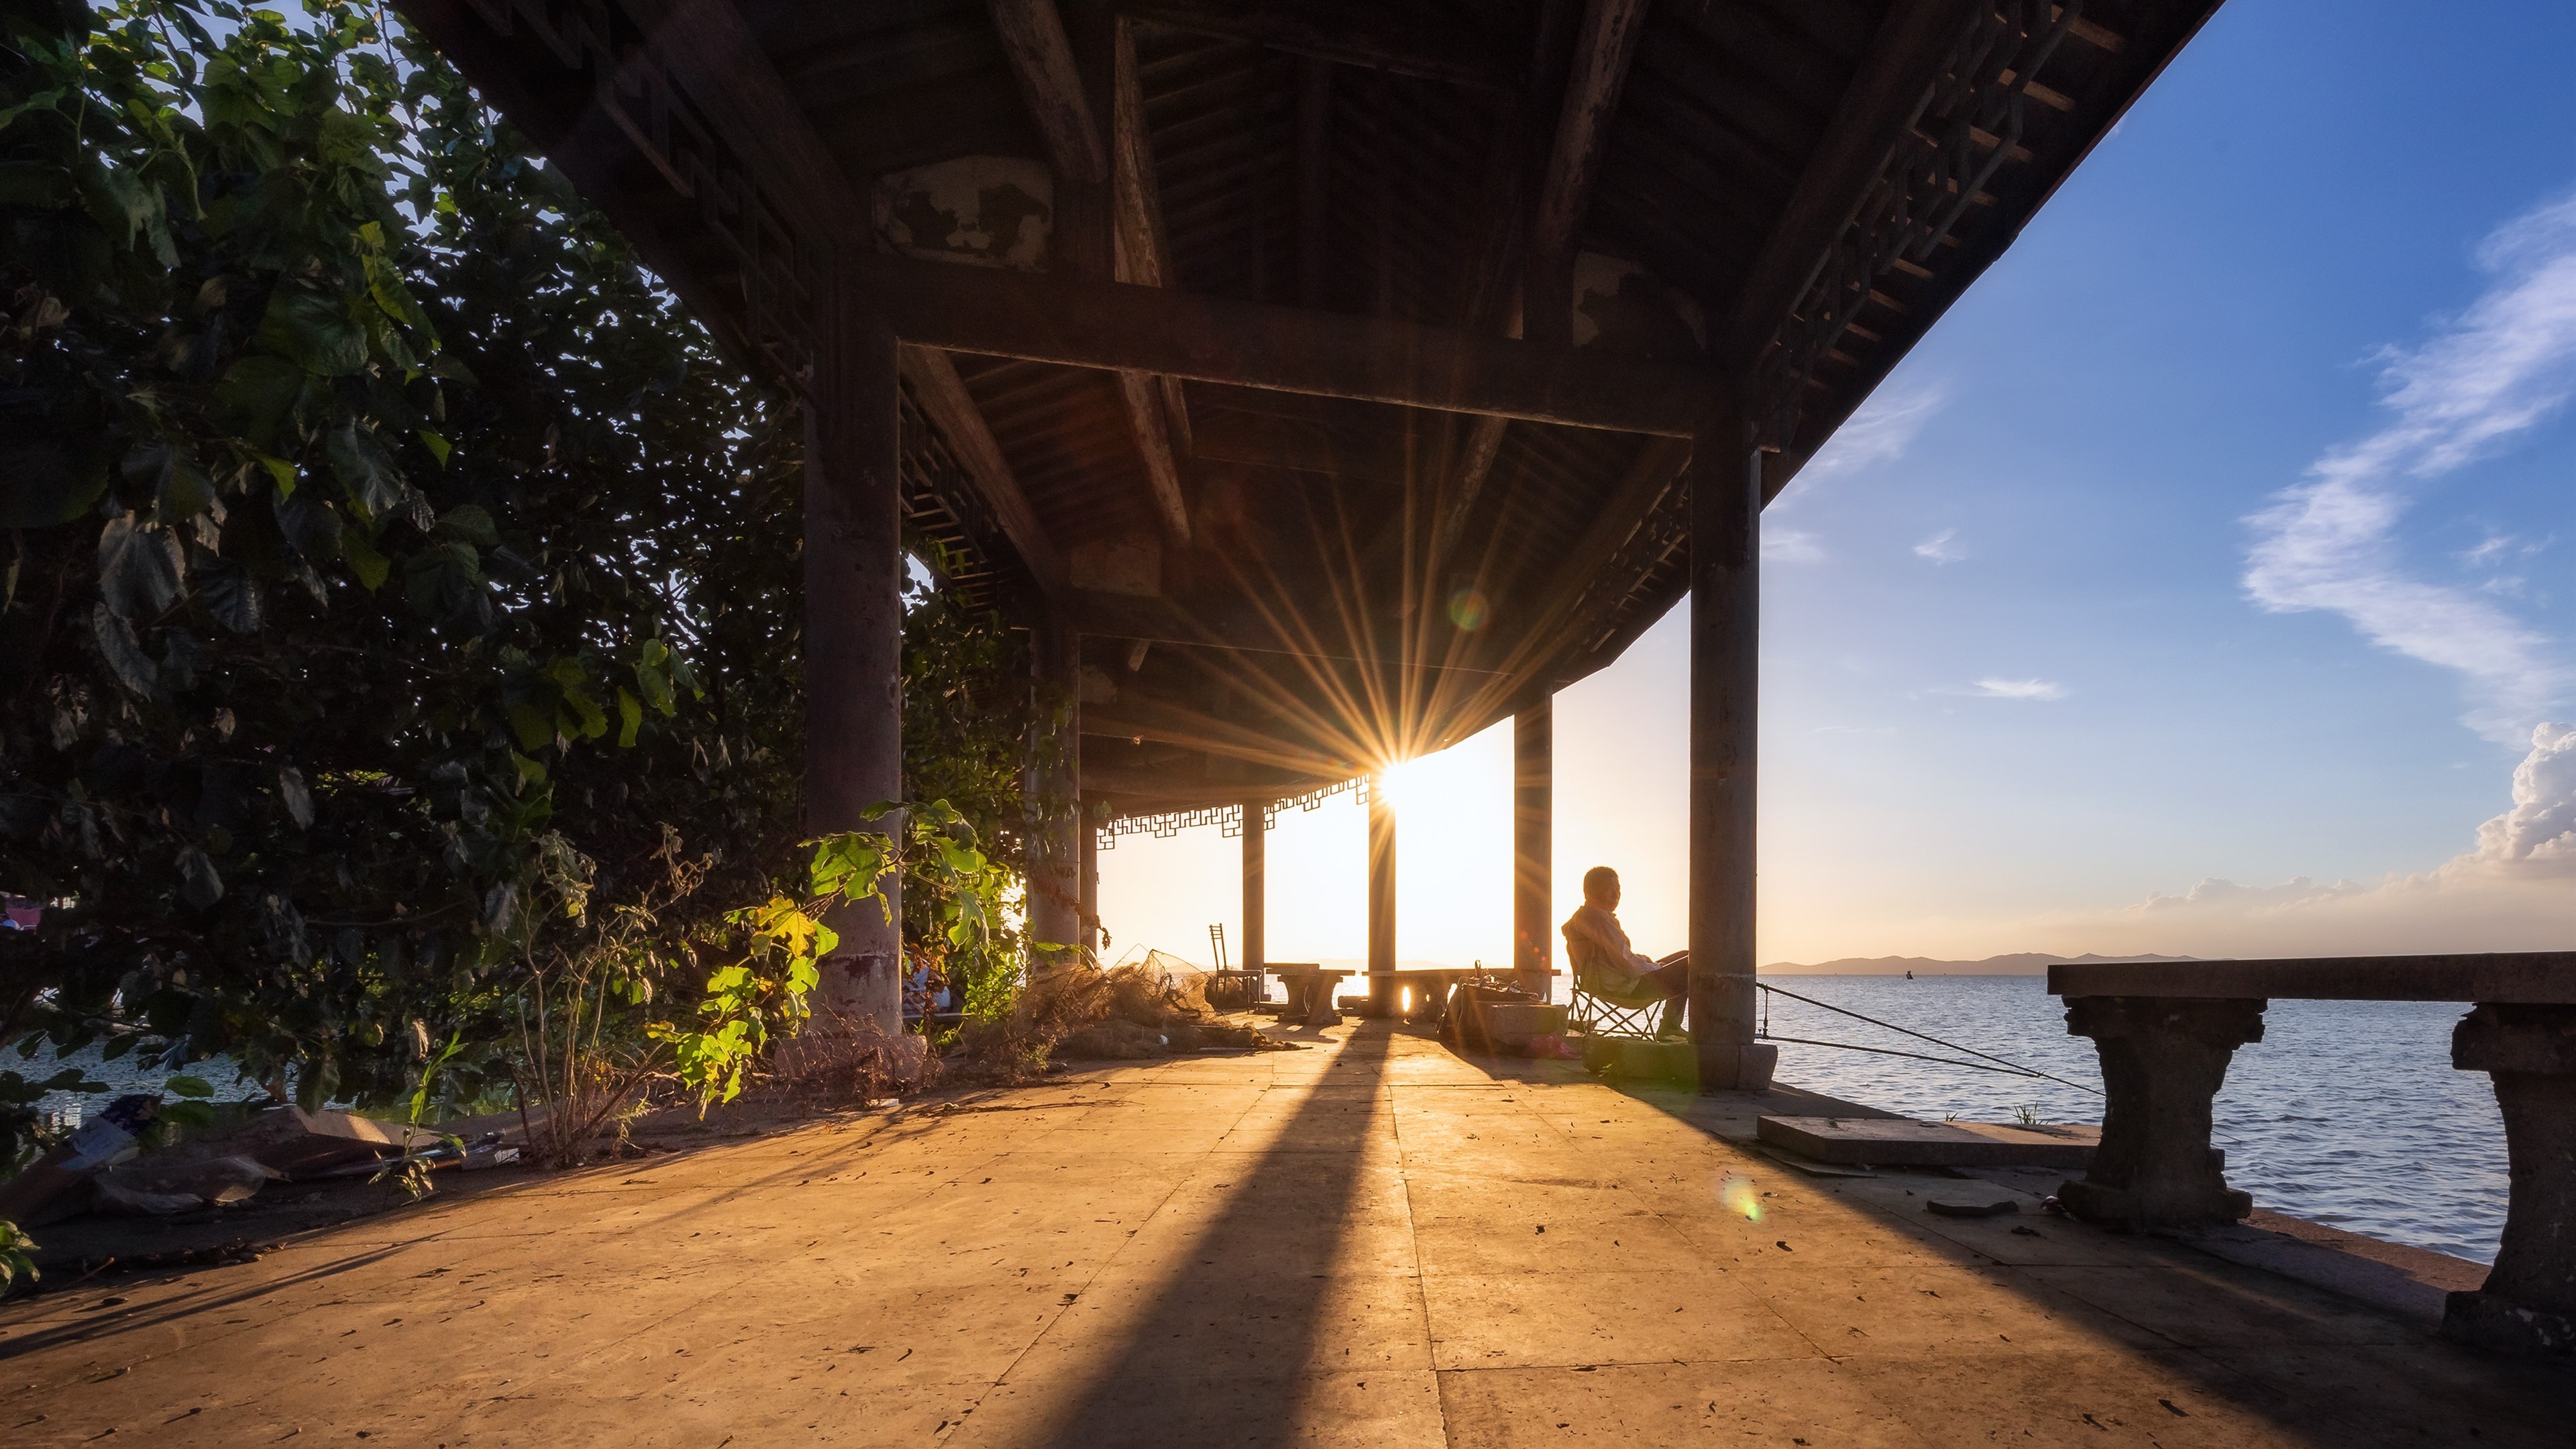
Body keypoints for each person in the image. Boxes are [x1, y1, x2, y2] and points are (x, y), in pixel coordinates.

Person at [1560, 865, 1687, 1034]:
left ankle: (1671, 1027)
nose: (1616, 894)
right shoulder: (1598, 919)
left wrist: (1647, 962)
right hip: (1625, 989)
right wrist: (1657, 968)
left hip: (1606, 984)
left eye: (1618, 889)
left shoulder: (1586, 917)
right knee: (1694, 962)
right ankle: (1671, 1027)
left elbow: (1620, 956)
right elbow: (1628, 965)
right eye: (1609, 889)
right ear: (1589, 892)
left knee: (1684, 955)